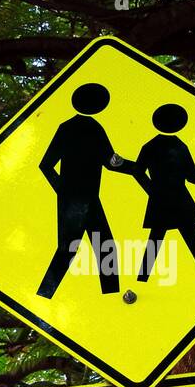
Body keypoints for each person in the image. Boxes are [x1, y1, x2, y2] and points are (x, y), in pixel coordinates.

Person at [35, 83, 135, 299]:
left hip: (88, 198)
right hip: (74, 200)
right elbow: (46, 165)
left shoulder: (86, 127)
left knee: (103, 248)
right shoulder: (77, 127)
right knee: (70, 249)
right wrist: (63, 190)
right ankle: (43, 295)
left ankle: (111, 300)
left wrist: (138, 167)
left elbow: (110, 161)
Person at [134, 103, 195, 282]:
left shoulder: (161, 145)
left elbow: (191, 175)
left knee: (168, 239)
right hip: (175, 199)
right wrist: (151, 190)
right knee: (166, 239)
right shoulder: (175, 145)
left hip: (173, 200)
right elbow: (192, 175)